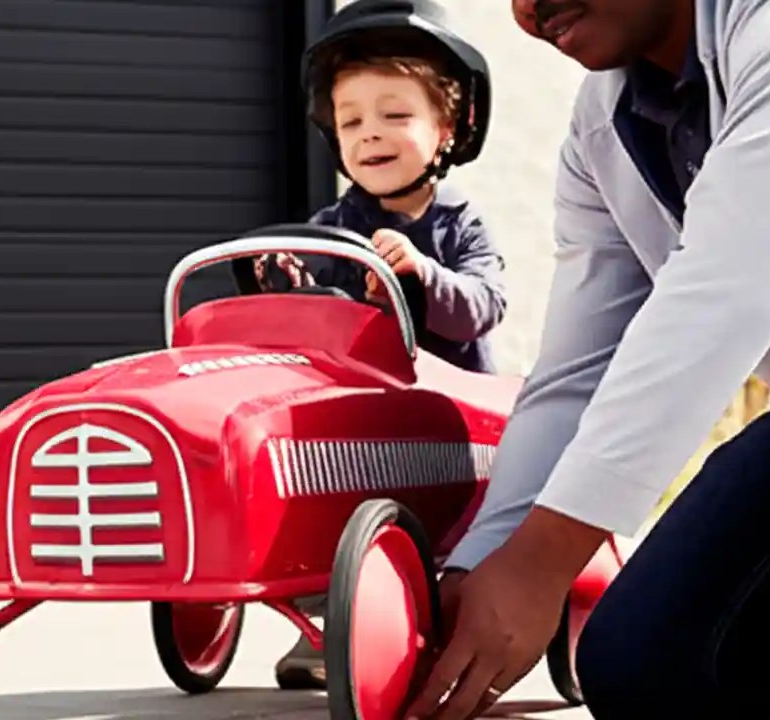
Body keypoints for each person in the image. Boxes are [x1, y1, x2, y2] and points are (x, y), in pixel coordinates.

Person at [401, 0, 770, 718]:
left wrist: (543, 561)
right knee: (642, 670)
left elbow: (731, 281)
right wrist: (486, 564)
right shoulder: (609, 127)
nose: (526, 9)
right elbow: (579, 368)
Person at [264, 0, 509, 689]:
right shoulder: (330, 225)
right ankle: (332, 621)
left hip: (449, 420)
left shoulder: (461, 225)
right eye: (352, 121)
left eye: (395, 116)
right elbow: (308, 318)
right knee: (322, 500)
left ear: (449, 129)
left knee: (456, 527)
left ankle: (424, 610)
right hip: (364, 417)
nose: (370, 134)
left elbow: (483, 309)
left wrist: (422, 272)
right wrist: (283, 278)